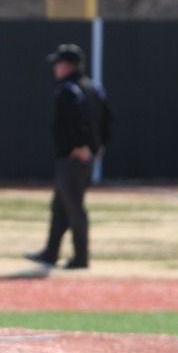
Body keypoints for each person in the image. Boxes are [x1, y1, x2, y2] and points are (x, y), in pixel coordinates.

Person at [25, 43, 111, 270]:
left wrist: (81, 145)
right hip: (86, 157)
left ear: (67, 66)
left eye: (58, 63)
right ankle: (50, 253)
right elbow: (108, 117)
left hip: (74, 158)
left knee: (73, 207)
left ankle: (81, 258)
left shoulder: (68, 90)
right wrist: (99, 145)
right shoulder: (93, 87)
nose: (55, 68)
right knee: (60, 206)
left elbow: (76, 121)